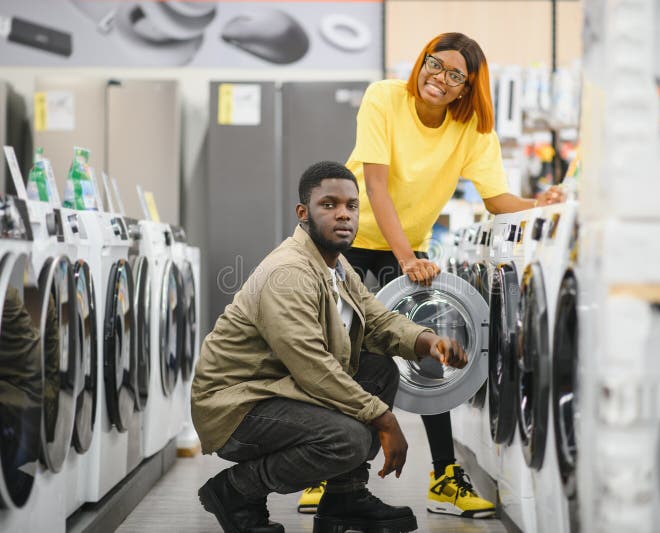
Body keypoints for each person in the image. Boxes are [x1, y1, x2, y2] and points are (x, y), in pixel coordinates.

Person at [296, 32, 565, 519]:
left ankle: (444, 478)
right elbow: (374, 185)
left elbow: (497, 201)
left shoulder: (473, 131)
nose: (439, 79)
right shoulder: (385, 97)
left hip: (406, 249)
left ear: (467, 88)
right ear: (421, 64)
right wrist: (405, 258)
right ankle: (324, 469)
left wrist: (541, 205)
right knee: (337, 353)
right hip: (348, 239)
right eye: (434, 65)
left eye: (455, 75)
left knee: (426, 355)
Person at [192, 161, 470, 533]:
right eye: (329, 204)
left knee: (379, 368)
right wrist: (384, 419)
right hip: (235, 406)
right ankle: (236, 491)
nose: (343, 214)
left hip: (275, 390)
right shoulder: (287, 274)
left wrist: (427, 341)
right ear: (303, 213)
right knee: (347, 439)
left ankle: (345, 497)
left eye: (351, 206)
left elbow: (378, 321)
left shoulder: (334, 267)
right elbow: (313, 368)